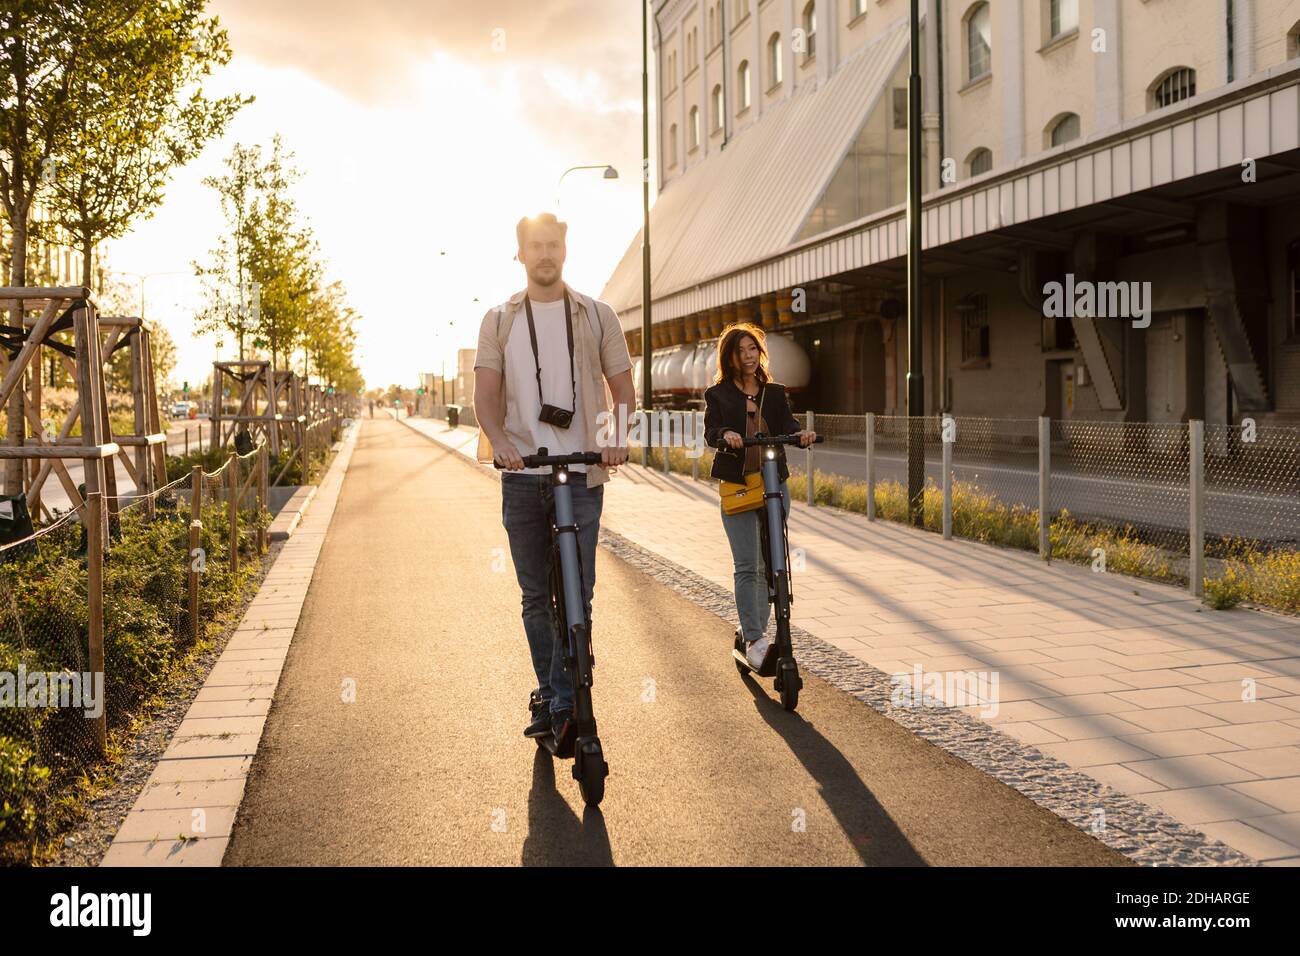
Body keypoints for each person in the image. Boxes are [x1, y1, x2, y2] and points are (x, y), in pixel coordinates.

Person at [473, 212, 635, 755]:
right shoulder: (499, 320)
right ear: (519, 254)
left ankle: (562, 702)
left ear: (565, 250)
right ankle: (551, 693)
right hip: (524, 476)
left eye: (553, 245)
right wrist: (499, 441)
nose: (545, 254)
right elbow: (486, 398)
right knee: (535, 596)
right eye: (535, 246)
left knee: (578, 594)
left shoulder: (597, 314)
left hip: (582, 474)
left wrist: (615, 435)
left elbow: (623, 389)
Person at [703, 322, 815, 671]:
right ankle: (753, 637)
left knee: (772, 562)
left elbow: (788, 424)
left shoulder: (775, 392)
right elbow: (710, 432)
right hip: (738, 484)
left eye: (753, 349)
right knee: (747, 565)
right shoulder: (718, 394)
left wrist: (801, 434)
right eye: (741, 350)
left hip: (773, 482)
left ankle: (763, 633)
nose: (749, 356)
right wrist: (727, 433)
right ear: (730, 356)